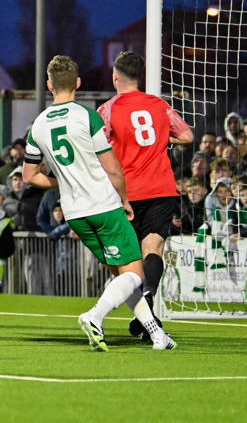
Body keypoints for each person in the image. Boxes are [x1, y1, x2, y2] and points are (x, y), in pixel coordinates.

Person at [22, 54, 175, 351]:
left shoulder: (38, 125)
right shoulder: (87, 116)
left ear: (49, 85)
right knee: (134, 274)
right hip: (104, 206)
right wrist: (125, 199)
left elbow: (29, 176)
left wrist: (59, 182)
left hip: (75, 213)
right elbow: (113, 168)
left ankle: (157, 335)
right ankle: (95, 316)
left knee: (125, 275)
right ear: (78, 83)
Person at [97, 51, 192, 342]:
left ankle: (143, 311)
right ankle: (148, 305)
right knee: (154, 248)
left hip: (128, 191)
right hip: (162, 188)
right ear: (140, 77)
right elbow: (187, 136)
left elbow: (97, 145)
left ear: (115, 77)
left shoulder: (108, 109)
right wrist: (164, 140)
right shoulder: (160, 105)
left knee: (128, 261)